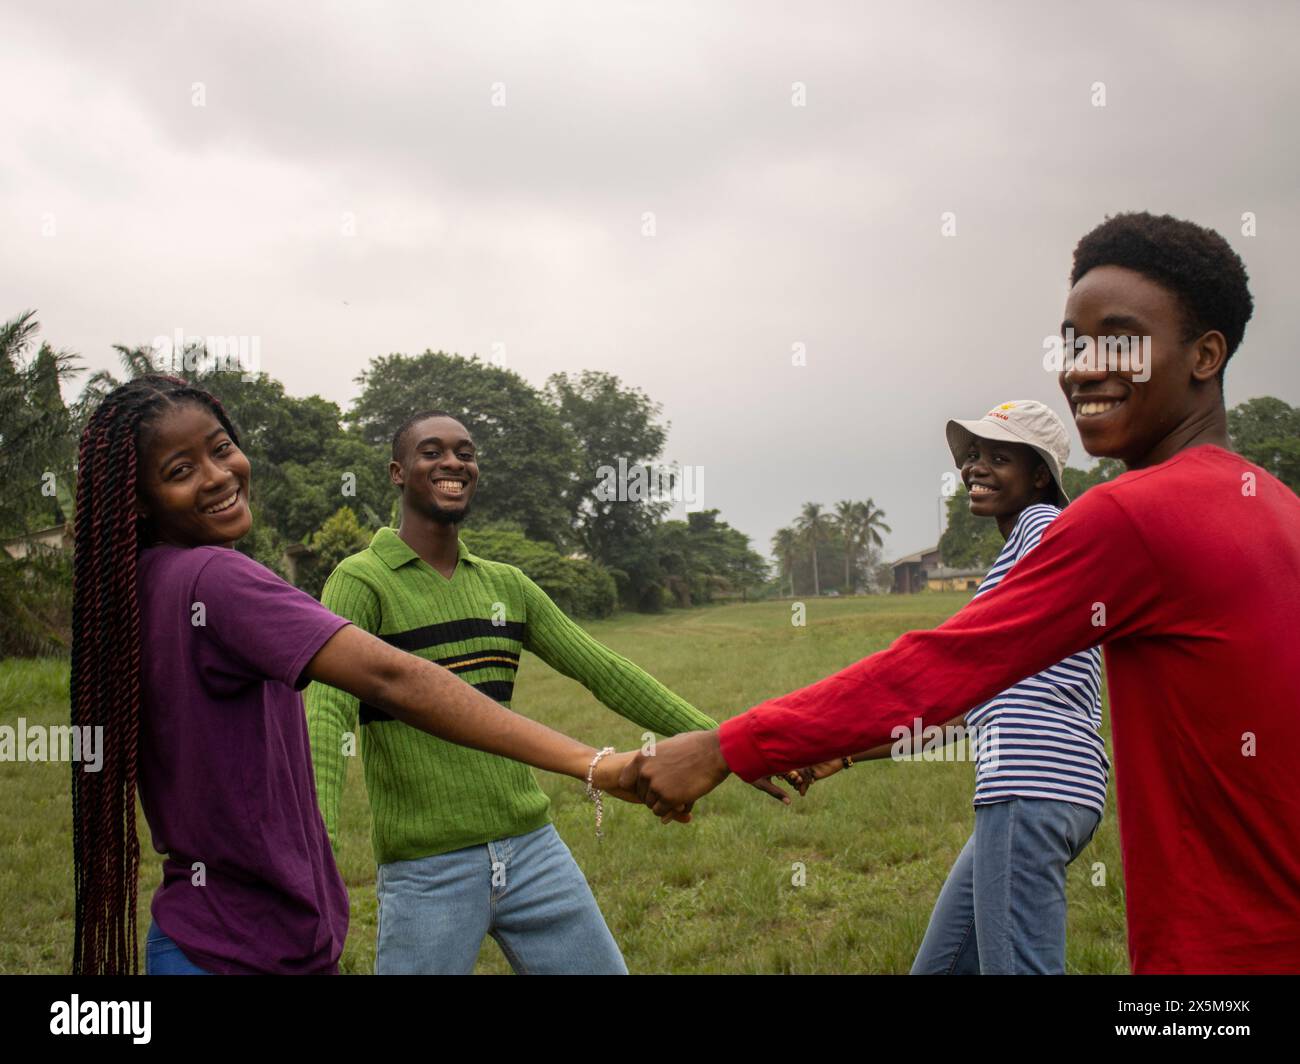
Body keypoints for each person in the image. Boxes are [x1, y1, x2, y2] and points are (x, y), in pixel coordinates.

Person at [624, 212, 1300, 974]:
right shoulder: (1278, 509)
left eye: (1117, 340)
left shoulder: (1133, 516)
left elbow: (941, 669)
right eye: (1071, 345)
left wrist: (725, 747)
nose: (1081, 368)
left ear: (1205, 354)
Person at [69, 376, 660, 976]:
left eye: (221, 449)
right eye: (179, 470)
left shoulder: (135, 589)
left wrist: (722, 739)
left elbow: (603, 668)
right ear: (137, 498)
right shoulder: (220, 580)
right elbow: (389, 682)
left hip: (202, 934)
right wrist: (596, 763)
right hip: (243, 948)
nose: (219, 476)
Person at [305, 410, 796, 975]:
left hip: (533, 850)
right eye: (432, 452)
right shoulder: (361, 580)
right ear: (398, 472)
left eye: (465, 453)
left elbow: (607, 672)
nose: (453, 463)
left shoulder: (505, 585)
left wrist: (728, 745)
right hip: (426, 869)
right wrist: (316, 853)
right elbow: (328, 714)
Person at [804, 400, 1106, 974]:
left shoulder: (1042, 527)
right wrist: (841, 755)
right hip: (1049, 791)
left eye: (999, 457)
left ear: (1040, 476)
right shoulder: (1017, 559)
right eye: (972, 456)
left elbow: (945, 672)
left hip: (1029, 783)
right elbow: (956, 717)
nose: (975, 468)